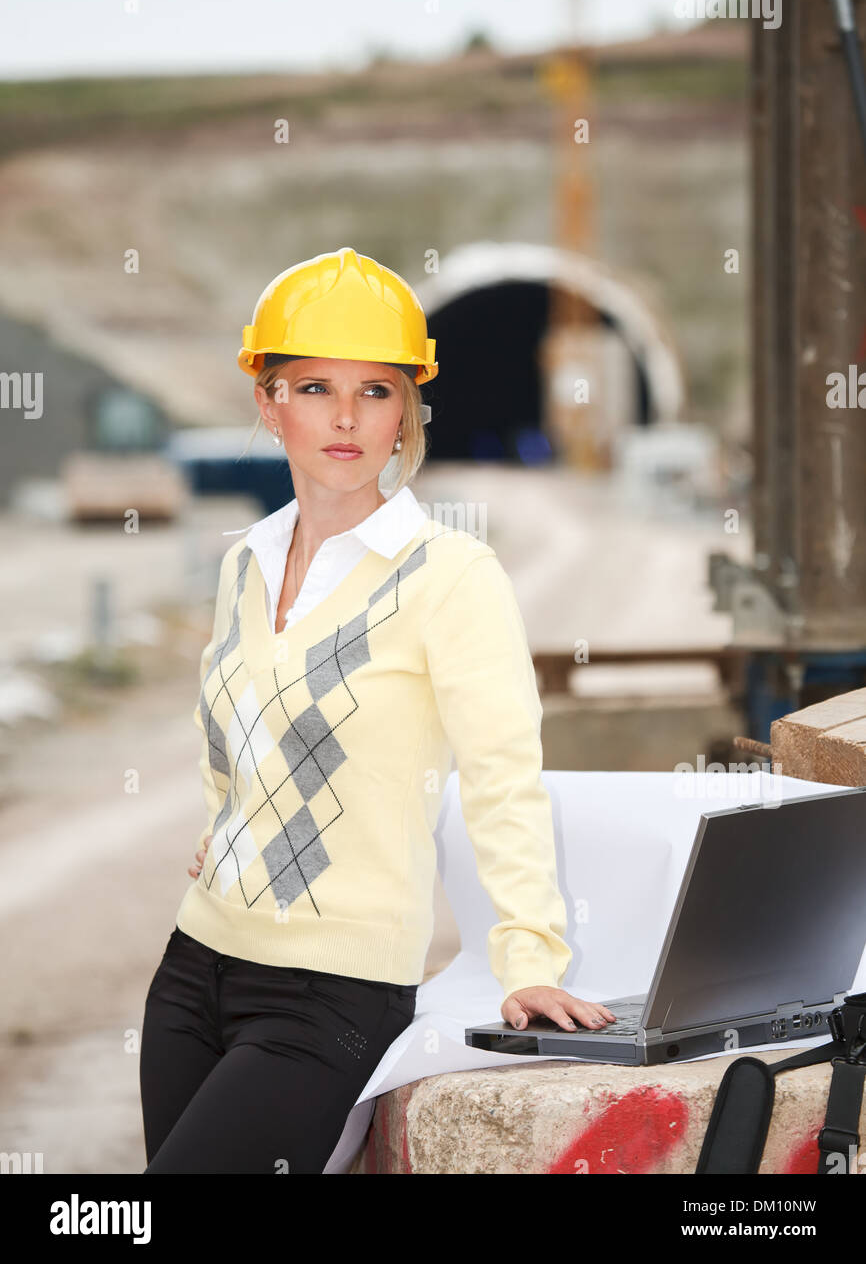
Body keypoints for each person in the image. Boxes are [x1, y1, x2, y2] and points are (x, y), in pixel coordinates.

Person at [139, 246, 614, 1174]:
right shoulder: (246, 563)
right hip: (192, 968)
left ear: (408, 409)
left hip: (331, 994)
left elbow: (503, 779)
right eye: (314, 387)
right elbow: (231, 734)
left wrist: (530, 963)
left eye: (376, 390)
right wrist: (226, 827)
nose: (347, 417)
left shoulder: (451, 576)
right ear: (268, 400)